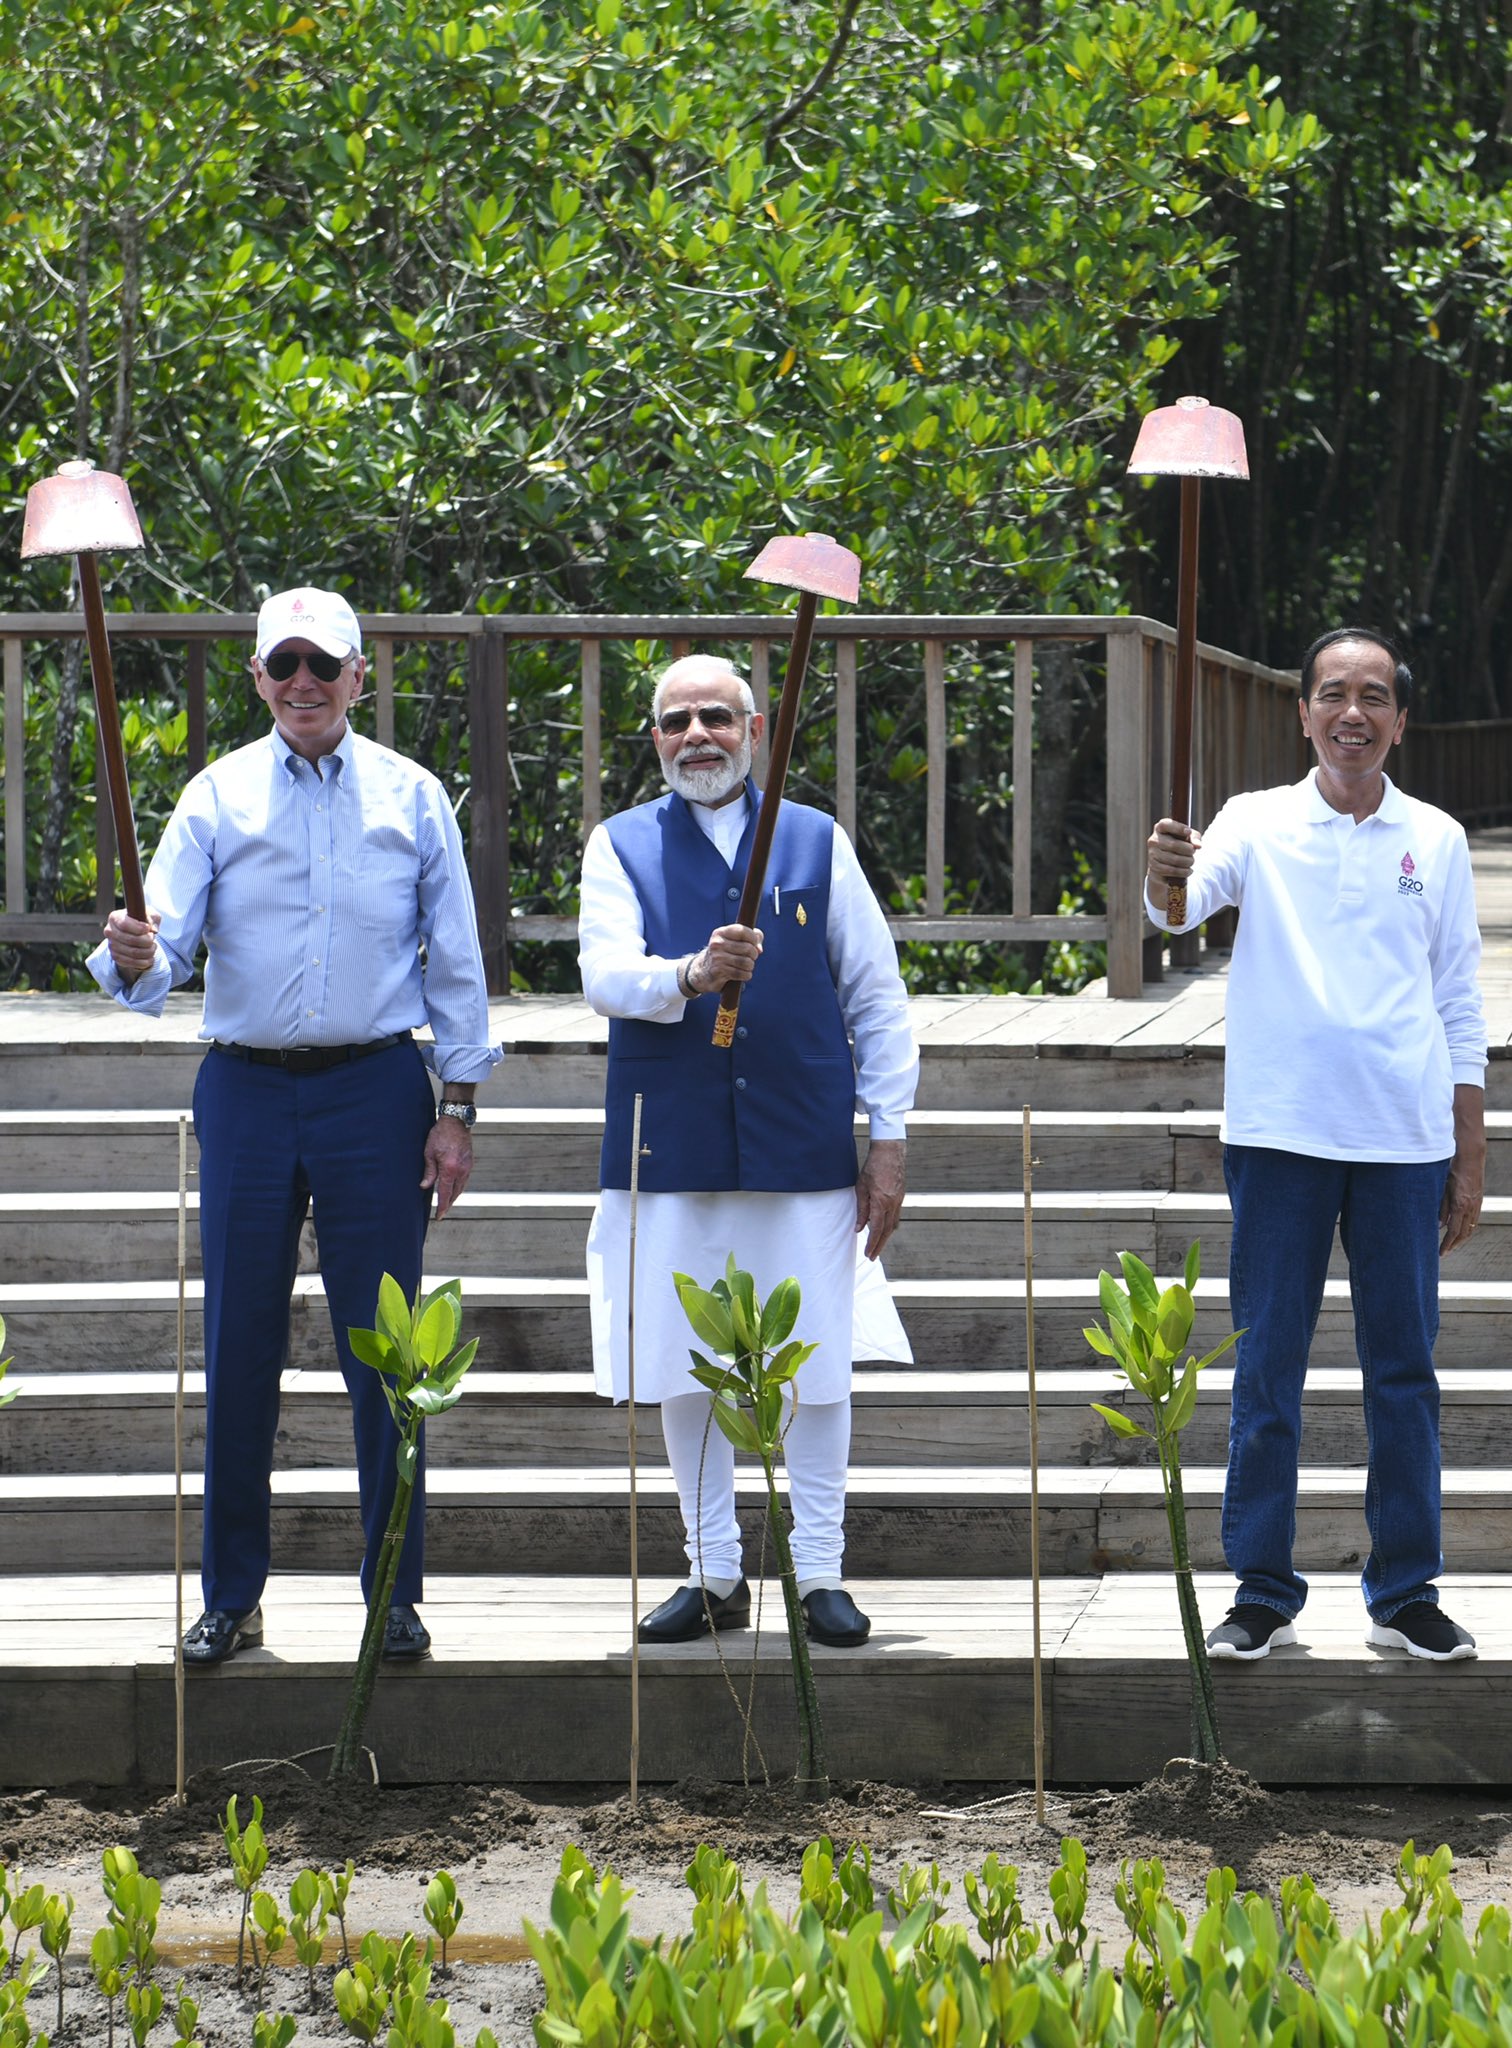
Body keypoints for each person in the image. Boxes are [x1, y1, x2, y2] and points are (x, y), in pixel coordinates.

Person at [88, 586, 500, 1664]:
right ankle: (233, 1593)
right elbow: (161, 953)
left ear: (362, 674)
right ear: (259, 677)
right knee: (239, 1344)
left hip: (377, 1087)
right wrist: (135, 955)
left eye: (325, 662)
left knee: (394, 1354)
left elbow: (454, 959)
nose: (304, 680)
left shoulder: (412, 798)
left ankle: (395, 1591)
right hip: (247, 1088)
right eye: (285, 664)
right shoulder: (216, 794)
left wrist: (457, 1107)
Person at [1146, 626, 1486, 1663]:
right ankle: (1260, 1584)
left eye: (1374, 696)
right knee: (1268, 1365)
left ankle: (1408, 1587)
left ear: (1399, 718)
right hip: (1281, 1131)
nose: (1353, 712)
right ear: (1302, 713)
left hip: (1403, 1136)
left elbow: (1460, 1001)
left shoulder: (1438, 835)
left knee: (1404, 1372)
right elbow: (1178, 914)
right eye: (1333, 693)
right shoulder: (1254, 821)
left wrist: (1469, 1152)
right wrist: (1165, 871)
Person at [579, 653, 918, 1647]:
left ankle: (818, 1569)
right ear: (654, 738)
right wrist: (690, 972)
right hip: (669, 1138)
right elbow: (604, 972)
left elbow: (876, 995)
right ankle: (713, 1568)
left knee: (814, 1360)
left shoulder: (815, 841)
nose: (698, 734)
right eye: (677, 719)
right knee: (684, 1361)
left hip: (800, 1136)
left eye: (717, 717)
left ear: (756, 727)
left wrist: (886, 1137)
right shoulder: (621, 844)